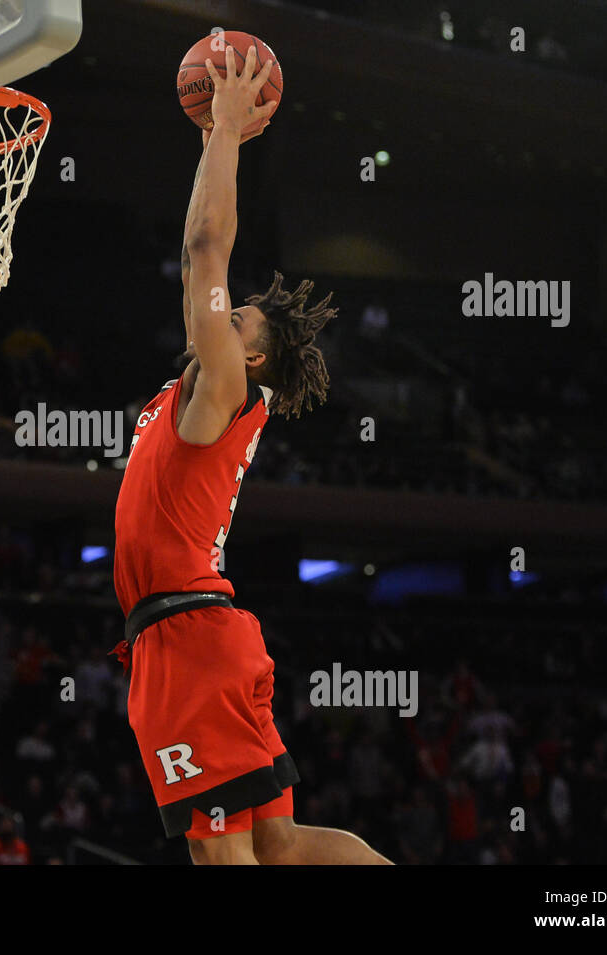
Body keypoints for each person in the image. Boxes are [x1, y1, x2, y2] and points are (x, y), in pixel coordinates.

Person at [110, 43, 389, 865]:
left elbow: (205, 250)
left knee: (220, 850)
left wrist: (227, 128)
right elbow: (203, 253)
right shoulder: (193, 394)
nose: (219, 322)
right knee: (281, 840)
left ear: (253, 360)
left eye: (235, 324)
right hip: (208, 633)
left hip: (188, 640)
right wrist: (212, 144)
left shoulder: (223, 391)